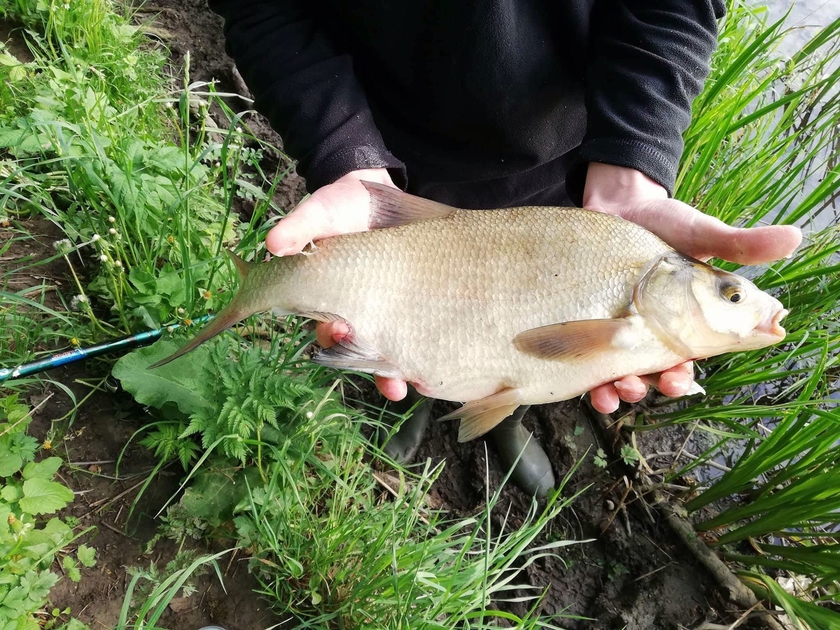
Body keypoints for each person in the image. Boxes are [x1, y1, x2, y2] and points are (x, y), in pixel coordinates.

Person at [207, 1, 802, 497]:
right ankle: (409, 394)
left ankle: (502, 415)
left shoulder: (628, 251)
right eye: (729, 291)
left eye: (729, 293)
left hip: (568, 170)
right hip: (384, 136)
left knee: (518, 338)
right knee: (415, 316)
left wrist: (633, 158)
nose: (736, 301)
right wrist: (345, 152)